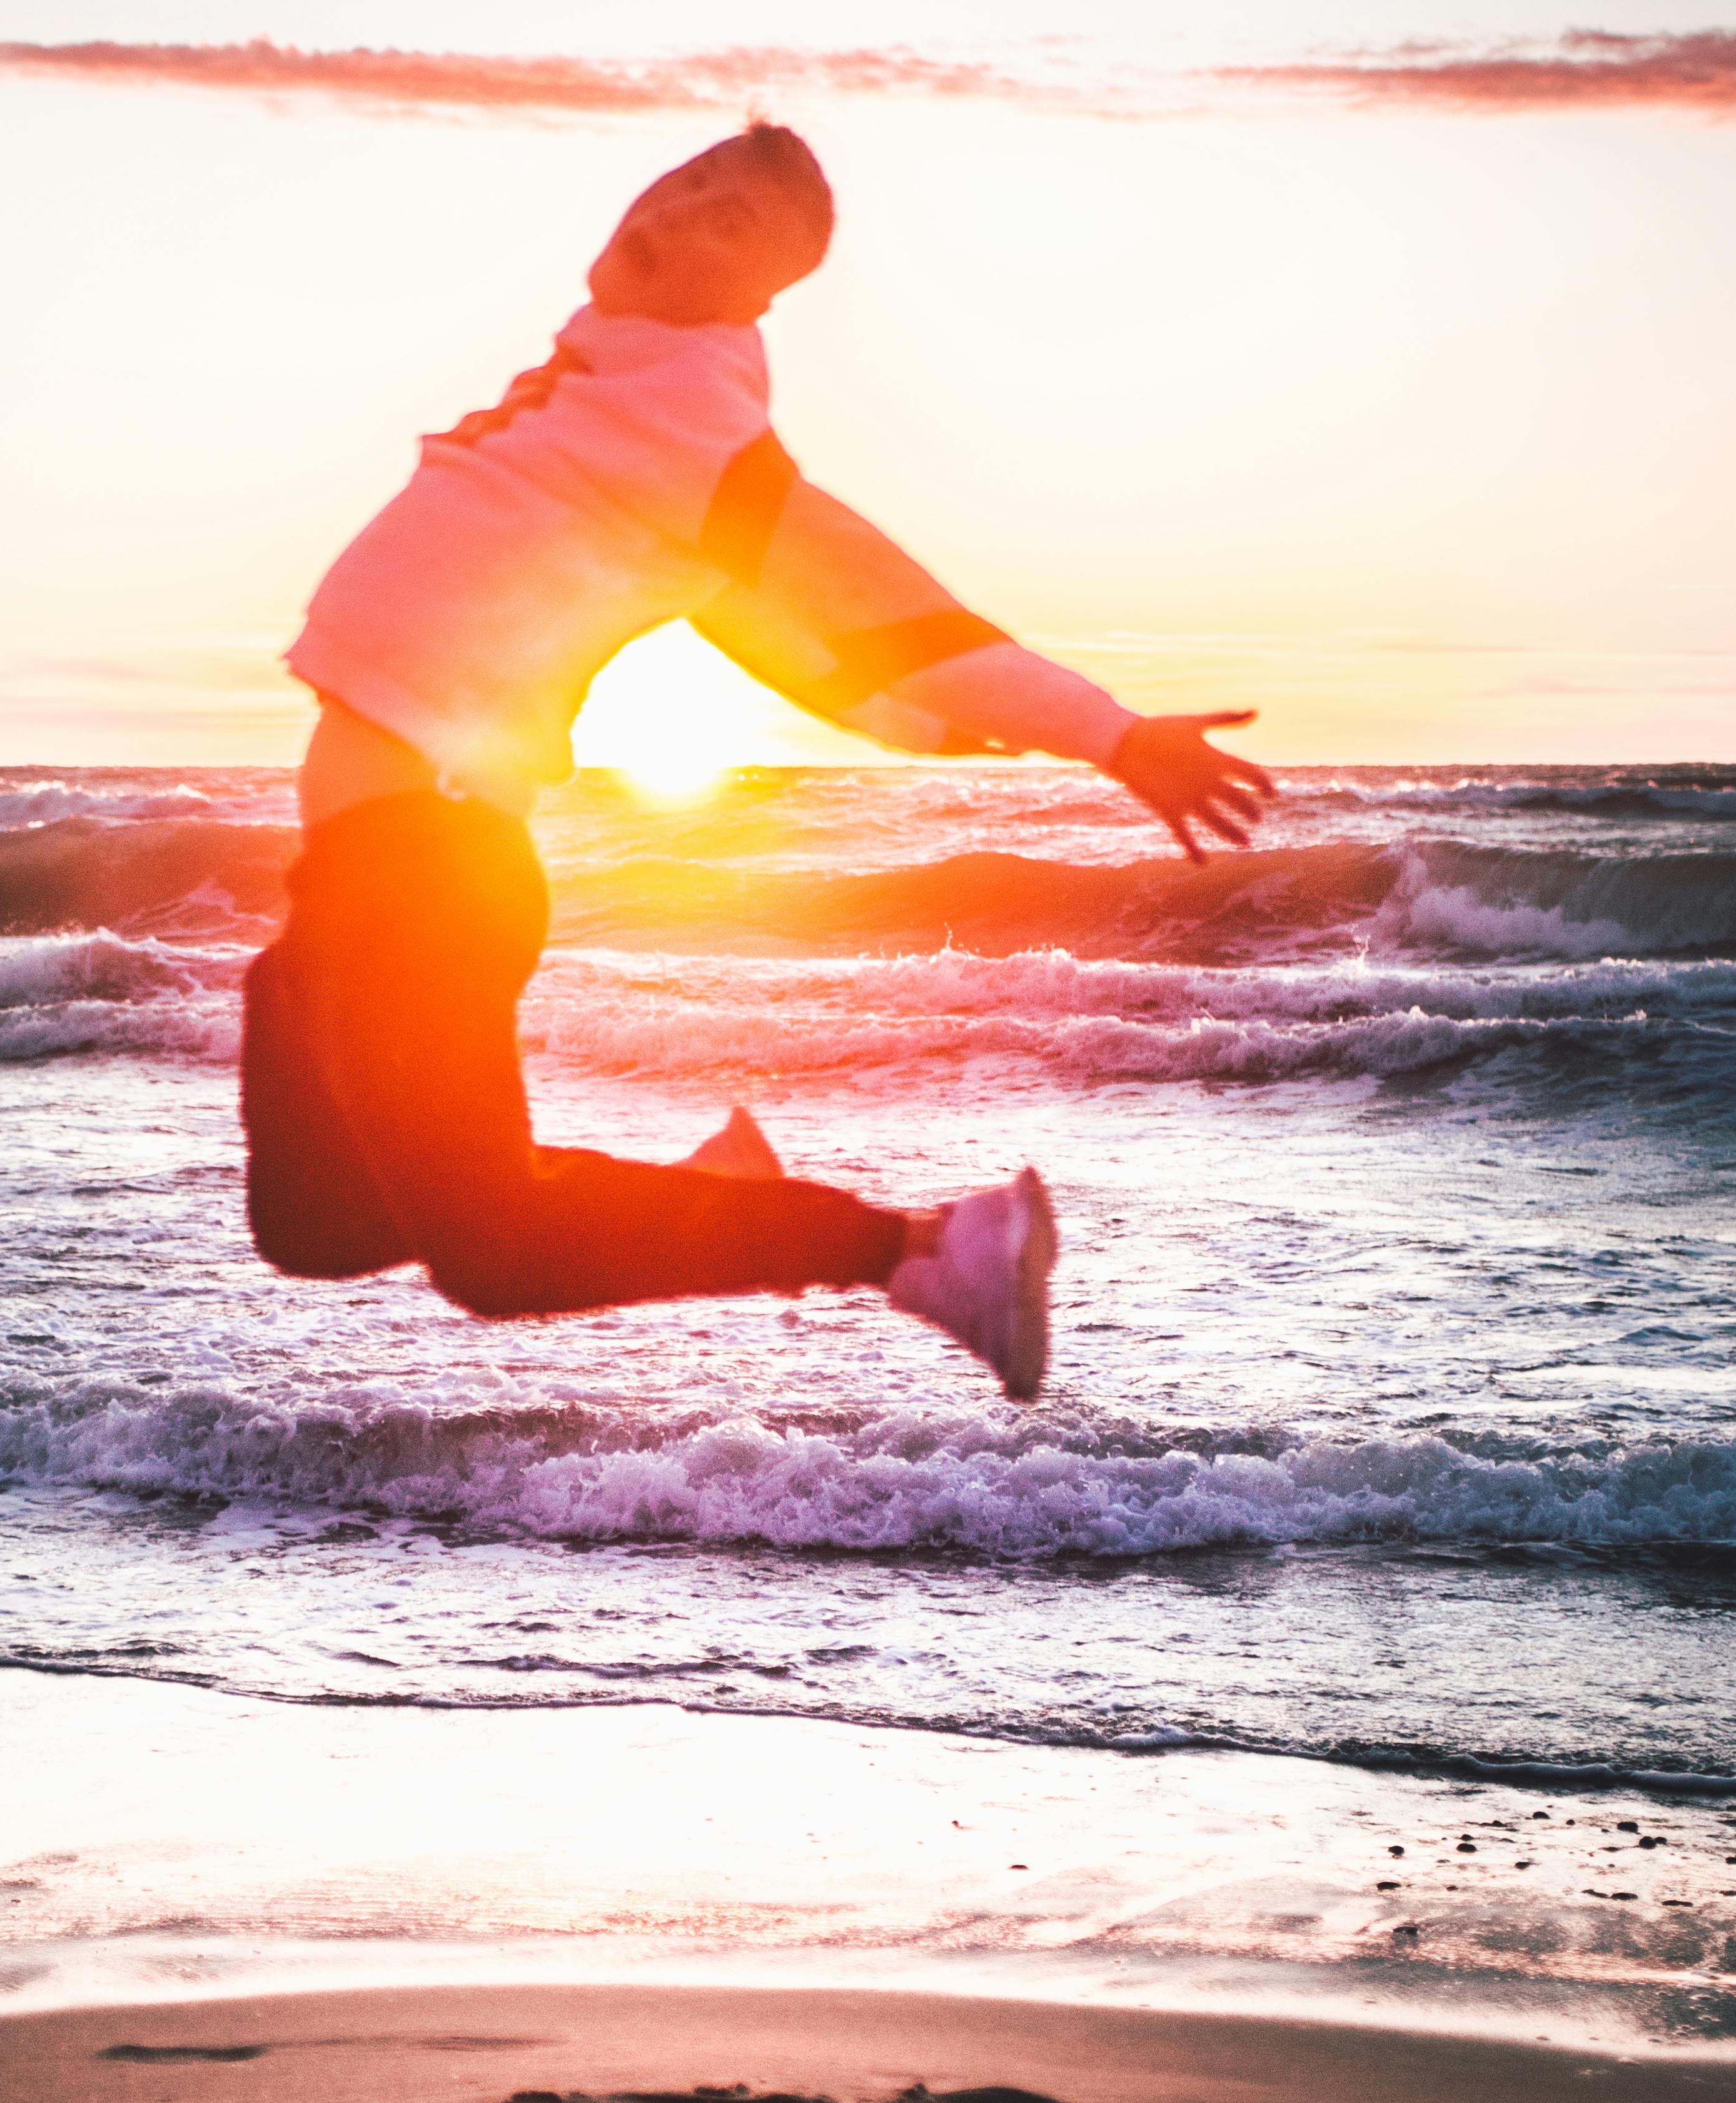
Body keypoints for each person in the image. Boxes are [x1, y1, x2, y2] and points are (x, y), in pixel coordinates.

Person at [243, 124, 1273, 1401]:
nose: (677, 214)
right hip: (350, 872)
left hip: (426, 866)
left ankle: (925, 1248)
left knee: (494, 1252)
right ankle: (709, 1199)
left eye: (727, 221)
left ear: (765, 291)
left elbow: (875, 607)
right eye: (686, 185)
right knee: (314, 1224)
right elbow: (780, 640)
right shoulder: (614, 378)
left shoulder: (692, 425)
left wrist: (1107, 733)